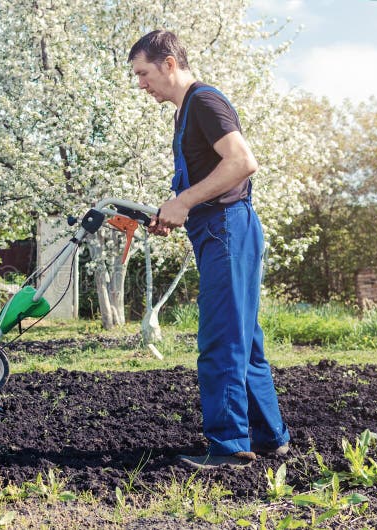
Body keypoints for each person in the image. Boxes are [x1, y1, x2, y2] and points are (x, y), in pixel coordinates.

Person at [128, 30, 290, 469]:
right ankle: (270, 437)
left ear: (169, 64)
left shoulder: (204, 101)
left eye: (143, 73)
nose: (141, 84)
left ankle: (230, 447)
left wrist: (184, 202)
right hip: (217, 231)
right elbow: (205, 178)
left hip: (229, 230)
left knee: (220, 339)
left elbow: (242, 161)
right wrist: (172, 211)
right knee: (244, 339)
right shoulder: (185, 112)